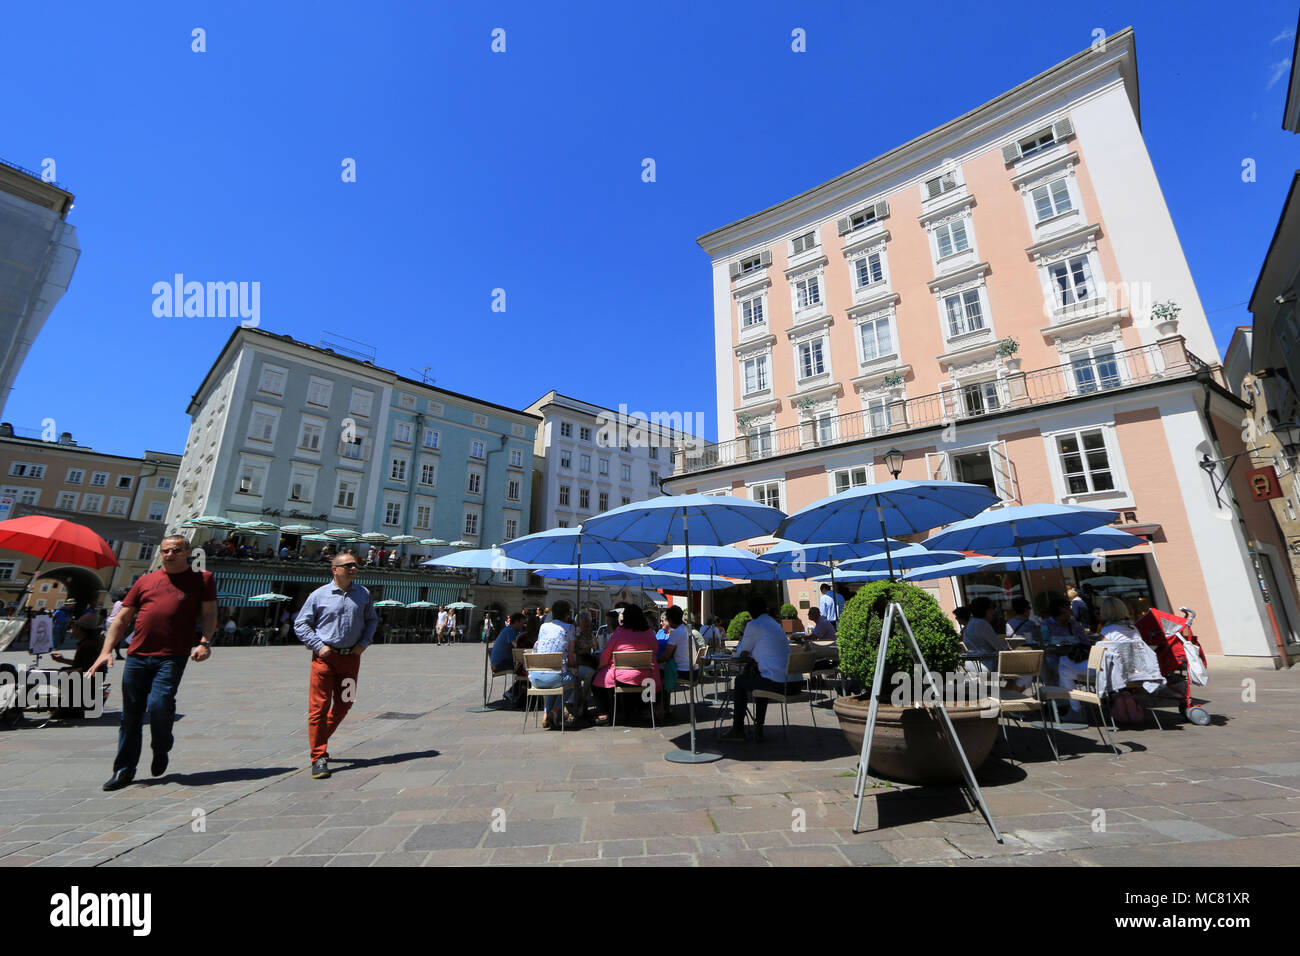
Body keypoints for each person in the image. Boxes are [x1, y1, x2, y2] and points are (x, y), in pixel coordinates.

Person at [88, 535, 216, 791]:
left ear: (187, 552)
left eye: (176, 550)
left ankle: (161, 746)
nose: (170, 555)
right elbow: (122, 619)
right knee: (130, 716)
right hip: (137, 656)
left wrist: (205, 642)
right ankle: (124, 769)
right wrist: (106, 650)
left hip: (172, 656)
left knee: (159, 705)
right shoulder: (145, 581)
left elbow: (209, 612)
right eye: (166, 551)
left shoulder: (202, 579)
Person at [294, 551, 378, 779]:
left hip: (351, 659)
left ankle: (318, 739)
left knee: (346, 703)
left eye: (355, 565)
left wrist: (363, 643)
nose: (354, 569)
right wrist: (318, 646)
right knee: (318, 708)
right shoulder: (319, 595)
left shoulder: (363, 594)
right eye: (348, 565)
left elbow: (372, 620)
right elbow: (301, 624)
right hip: (325, 659)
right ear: (335, 569)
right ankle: (318, 757)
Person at [720, 597, 803, 742]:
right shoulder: (775, 624)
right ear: (765, 609)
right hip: (796, 684)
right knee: (760, 677)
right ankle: (758, 728)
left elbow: (740, 653)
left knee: (740, 681)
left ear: (750, 612)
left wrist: (744, 632)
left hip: (780, 684)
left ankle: (738, 728)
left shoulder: (754, 625)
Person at [591, 604, 661, 725]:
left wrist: (600, 665)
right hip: (646, 677)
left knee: (597, 680)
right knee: (654, 677)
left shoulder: (620, 632)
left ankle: (604, 713)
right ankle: (646, 709)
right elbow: (655, 650)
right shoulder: (649, 633)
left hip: (621, 677)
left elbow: (606, 654)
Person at [529, 600, 579, 729]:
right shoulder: (570, 628)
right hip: (556, 678)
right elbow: (571, 657)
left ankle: (546, 715)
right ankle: (556, 710)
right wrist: (573, 665)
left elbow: (538, 646)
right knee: (571, 680)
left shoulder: (543, 627)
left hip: (536, 678)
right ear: (567, 614)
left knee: (553, 677)